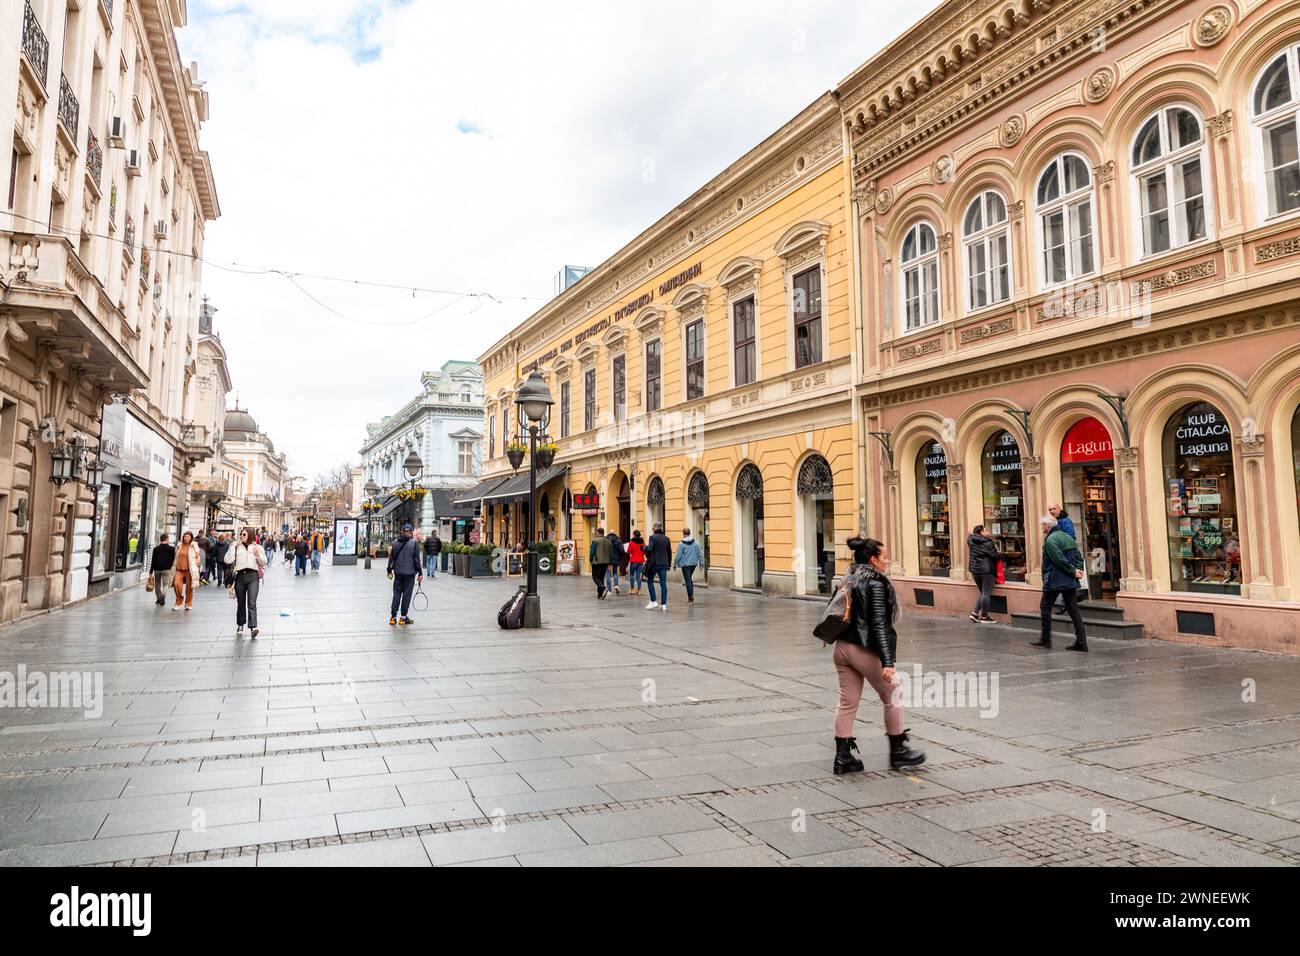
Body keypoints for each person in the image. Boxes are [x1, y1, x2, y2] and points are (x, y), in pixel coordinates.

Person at [831, 536, 925, 774]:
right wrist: (888, 661)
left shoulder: (849, 577)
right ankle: (898, 752)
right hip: (860, 649)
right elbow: (878, 625)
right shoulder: (876, 583)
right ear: (873, 559)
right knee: (894, 692)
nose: (887, 561)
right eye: (884, 557)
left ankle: (843, 757)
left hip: (841, 646)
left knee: (847, 702)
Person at [1030, 515, 1088, 652]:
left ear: (1047, 526)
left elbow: (1058, 559)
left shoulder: (1051, 540)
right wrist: (1078, 569)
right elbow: (1078, 556)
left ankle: (1046, 640)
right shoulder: (1067, 537)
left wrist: (1073, 570)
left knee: (1045, 606)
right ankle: (1081, 642)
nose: (1042, 529)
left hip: (1055, 579)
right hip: (1069, 580)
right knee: (1074, 611)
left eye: (1042, 526)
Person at [224, 528, 268, 639]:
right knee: (241, 602)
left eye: (244, 534)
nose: (241, 536)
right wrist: (232, 546)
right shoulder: (236, 547)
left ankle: (253, 627)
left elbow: (264, 562)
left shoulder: (257, 547)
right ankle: (240, 625)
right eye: (241, 534)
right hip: (240, 576)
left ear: (250, 535)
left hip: (253, 576)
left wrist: (258, 555)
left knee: (252, 602)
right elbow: (227, 560)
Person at [387, 523, 422, 625]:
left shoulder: (394, 543)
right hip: (410, 574)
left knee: (396, 594)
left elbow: (391, 558)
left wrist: (389, 570)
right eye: (410, 532)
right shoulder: (414, 543)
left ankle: (393, 617)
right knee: (406, 595)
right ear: (410, 533)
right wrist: (420, 573)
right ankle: (403, 617)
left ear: (402, 532)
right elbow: (417, 560)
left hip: (398, 573)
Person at [966, 525, 1000, 624]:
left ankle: (974, 613)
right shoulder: (988, 542)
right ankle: (985, 617)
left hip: (975, 571)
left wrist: (971, 534)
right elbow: (995, 556)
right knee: (986, 593)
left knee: (983, 593)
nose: (988, 531)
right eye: (986, 530)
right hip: (987, 571)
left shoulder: (970, 540)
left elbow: (971, 536)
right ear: (981, 532)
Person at [643, 524, 672, 611]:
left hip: (655, 563)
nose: (652, 529)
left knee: (650, 580)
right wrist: (669, 564)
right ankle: (663, 605)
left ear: (655, 528)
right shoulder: (667, 538)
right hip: (664, 563)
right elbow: (669, 552)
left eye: (653, 528)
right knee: (663, 584)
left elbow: (650, 549)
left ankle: (653, 601)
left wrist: (644, 548)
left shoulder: (652, 537)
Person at [171, 531, 202, 611]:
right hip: (178, 569)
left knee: (189, 588)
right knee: (176, 584)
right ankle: (179, 600)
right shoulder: (179, 545)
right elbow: (175, 555)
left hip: (189, 569)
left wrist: (196, 562)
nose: (186, 538)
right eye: (185, 536)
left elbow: (198, 556)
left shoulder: (194, 545)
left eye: (188, 537)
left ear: (191, 538)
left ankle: (188, 603)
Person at [673, 529, 702, 605]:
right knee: (689, 579)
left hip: (685, 565)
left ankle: (690, 598)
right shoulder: (696, 543)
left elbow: (678, 555)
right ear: (689, 533)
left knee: (688, 580)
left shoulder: (681, 544)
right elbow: (700, 553)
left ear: (683, 534)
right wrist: (701, 563)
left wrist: (675, 564)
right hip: (693, 564)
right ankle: (691, 595)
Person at [150, 534, 175, 606]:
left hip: (156, 569)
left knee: (157, 584)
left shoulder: (156, 548)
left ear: (160, 539)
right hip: (167, 569)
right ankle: (162, 598)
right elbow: (174, 560)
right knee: (166, 584)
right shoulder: (171, 549)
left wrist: (151, 571)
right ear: (167, 539)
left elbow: (153, 560)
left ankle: (158, 599)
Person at [589, 527, 612, 599]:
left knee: (595, 577)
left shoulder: (595, 540)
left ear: (598, 533)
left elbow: (592, 551)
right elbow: (610, 552)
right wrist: (610, 562)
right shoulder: (608, 541)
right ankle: (600, 594)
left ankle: (603, 588)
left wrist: (590, 559)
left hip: (596, 561)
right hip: (605, 562)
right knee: (601, 578)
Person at [604, 530, 624, 595]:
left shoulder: (605, 540)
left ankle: (609, 590)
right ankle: (616, 585)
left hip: (608, 560)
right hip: (615, 559)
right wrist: (619, 558)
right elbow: (622, 550)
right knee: (615, 572)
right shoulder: (618, 540)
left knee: (608, 574)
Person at [627, 531, 645, 595]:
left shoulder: (631, 542)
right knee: (638, 576)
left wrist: (633, 553)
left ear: (634, 535)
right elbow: (644, 551)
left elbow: (628, 551)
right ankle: (639, 590)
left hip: (634, 560)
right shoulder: (642, 542)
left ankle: (632, 589)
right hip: (641, 561)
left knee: (632, 575)